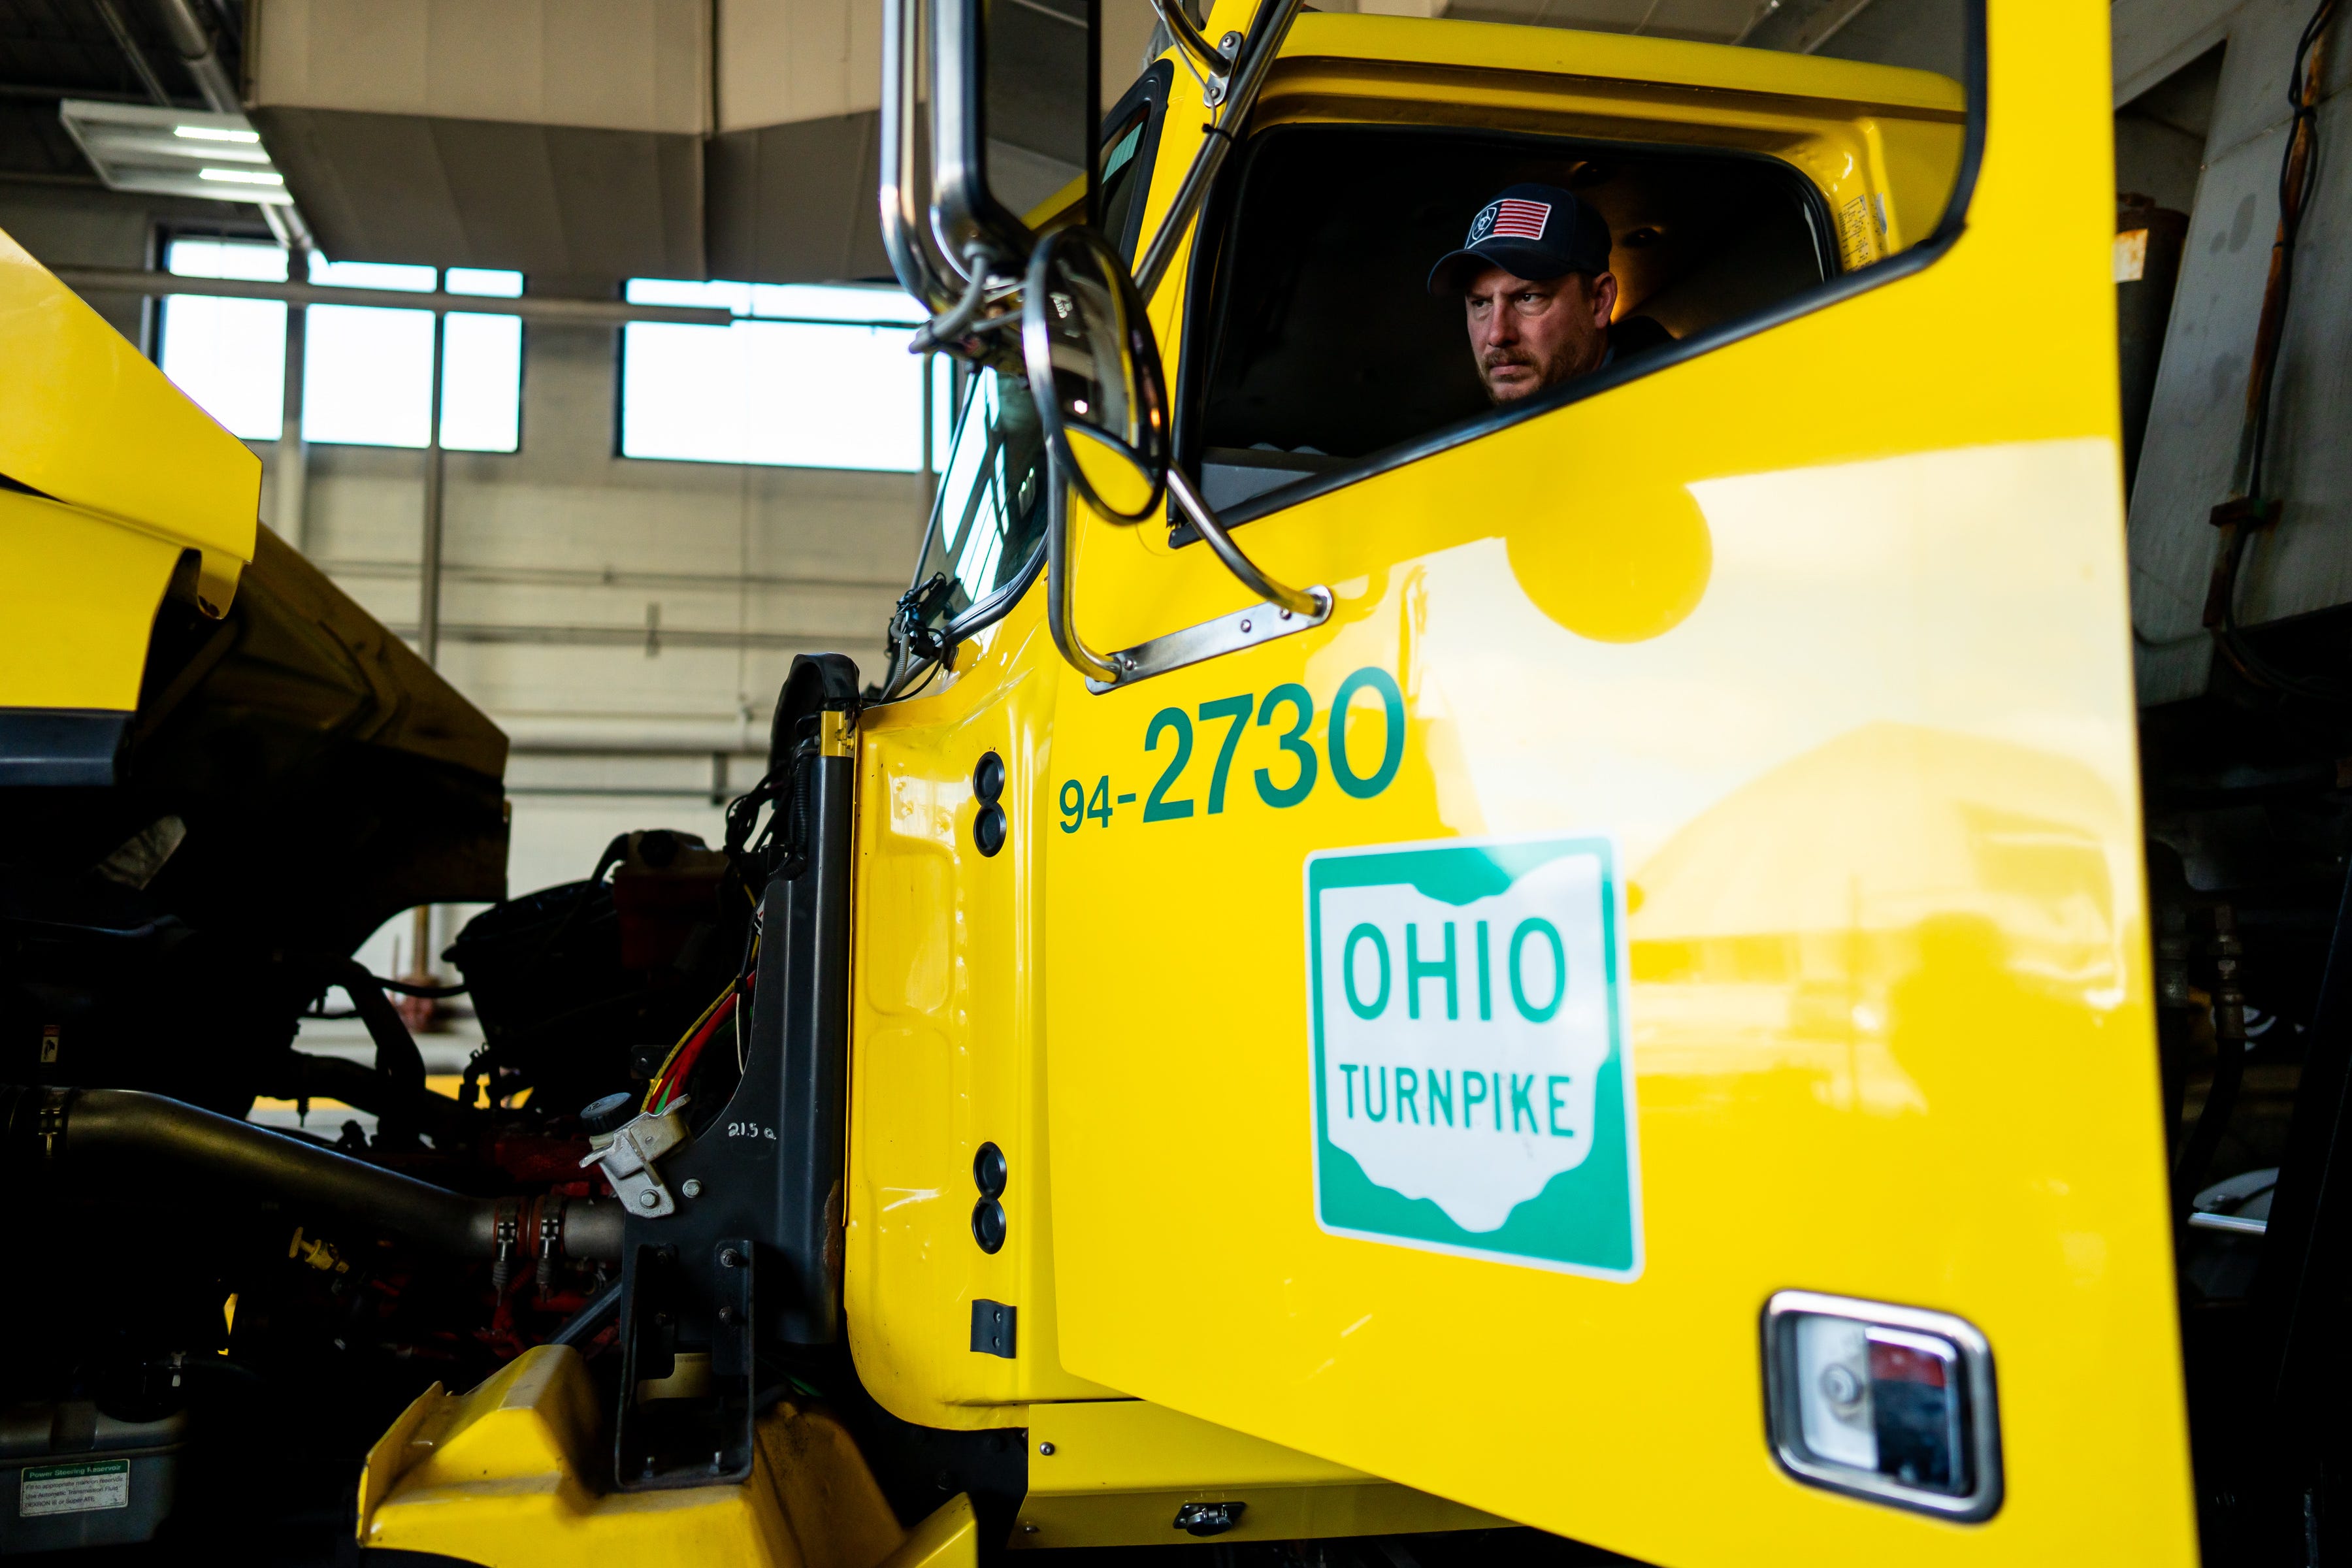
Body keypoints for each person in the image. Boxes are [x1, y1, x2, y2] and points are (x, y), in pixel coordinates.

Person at [1428, 182, 1663, 404]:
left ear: (1599, 301)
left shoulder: (1674, 409)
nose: (1497, 335)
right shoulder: (1495, 439)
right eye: (1481, 303)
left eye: (1527, 298)